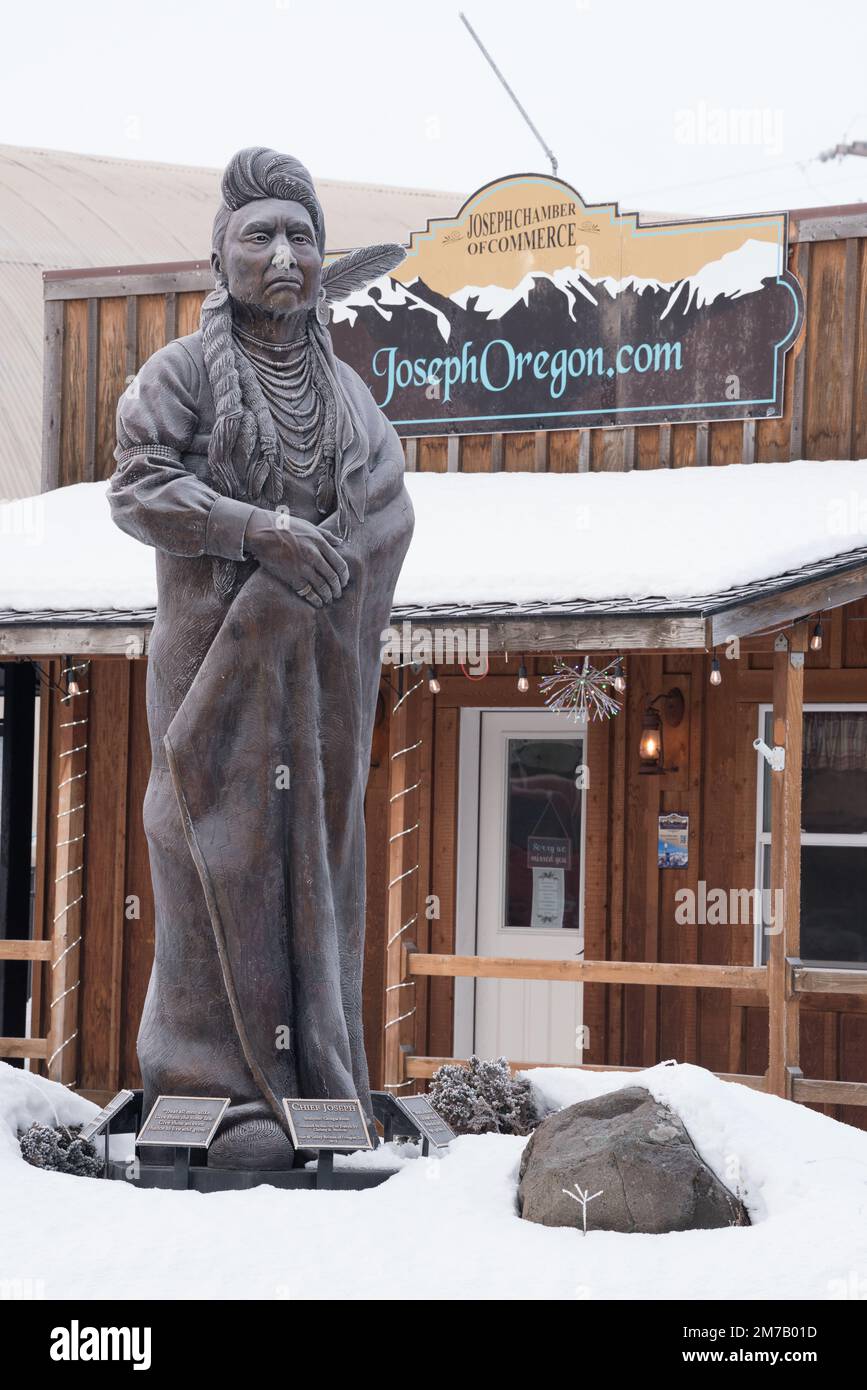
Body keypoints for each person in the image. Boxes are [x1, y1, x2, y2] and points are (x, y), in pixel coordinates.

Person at [109, 148, 413, 1169]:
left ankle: (315, 1084)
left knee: (312, 866)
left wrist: (318, 568)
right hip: (213, 680)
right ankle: (206, 1087)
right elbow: (139, 488)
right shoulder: (181, 374)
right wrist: (258, 534)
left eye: (302, 235)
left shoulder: (351, 397)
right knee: (204, 854)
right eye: (261, 235)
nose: (285, 253)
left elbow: (386, 507)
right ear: (220, 257)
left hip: (316, 691)